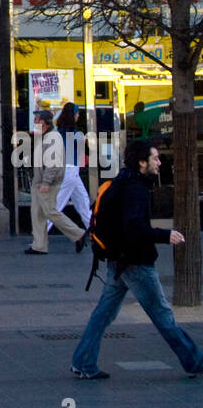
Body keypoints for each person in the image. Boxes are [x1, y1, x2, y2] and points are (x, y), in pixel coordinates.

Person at [71, 139, 203, 380]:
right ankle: (195, 361)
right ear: (142, 162)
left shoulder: (123, 181)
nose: (159, 162)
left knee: (103, 314)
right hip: (135, 263)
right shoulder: (136, 188)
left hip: (118, 261)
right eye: (155, 158)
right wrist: (165, 235)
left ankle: (83, 362)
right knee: (163, 315)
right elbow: (134, 227)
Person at [25, 108, 88, 255]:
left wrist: (46, 182)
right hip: (44, 178)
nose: (34, 122)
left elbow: (53, 162)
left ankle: (78, 234)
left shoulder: (53, 137)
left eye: (37, 119)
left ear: (45, 123)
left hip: (49, 180)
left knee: (50, 210)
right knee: (40, 212)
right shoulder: (47, 136)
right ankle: (39, 245)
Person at [49, 101, 92, 232]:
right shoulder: (74, 132)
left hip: (67, 170)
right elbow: (82, 145)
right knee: (57, 205)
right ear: (72, 115)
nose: (78, 115)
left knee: (83, 200)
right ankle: (39, 238)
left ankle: (94, 231)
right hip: (70, 170)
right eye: (77, 113)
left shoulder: (59, 130)